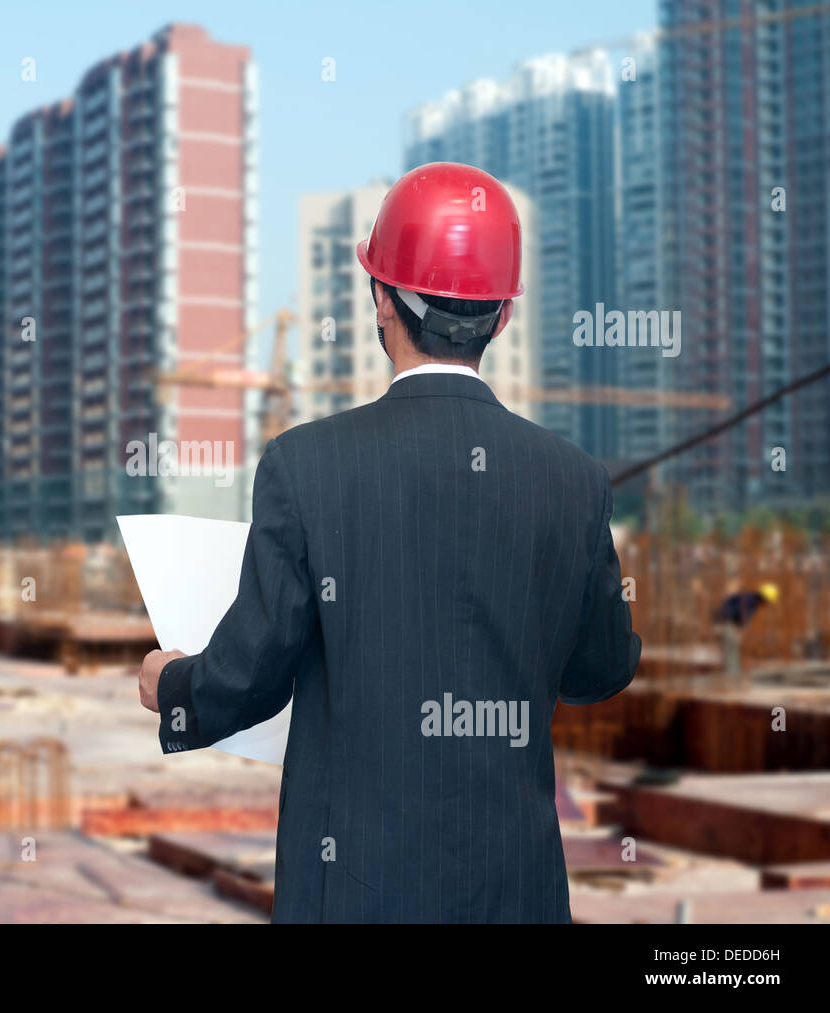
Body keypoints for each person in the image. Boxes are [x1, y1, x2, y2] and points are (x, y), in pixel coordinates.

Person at [136, 163, 640, 923]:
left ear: (381, 298)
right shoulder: (573, 480)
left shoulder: (306, 466)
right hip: (518, 895)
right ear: (502, 316)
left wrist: (172, 688)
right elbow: (601, 668)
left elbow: (253, 674)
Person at [713, 582, 779, 681]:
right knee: (730, 650)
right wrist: (735, 626)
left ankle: (733, 676)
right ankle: (731, 678)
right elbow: (729, 612)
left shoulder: (752, 601)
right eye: (768, 603)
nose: (767, 605)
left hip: (728, 624)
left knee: (733, 651)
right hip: (726, 624)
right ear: (765, 599)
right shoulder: (748, 601)